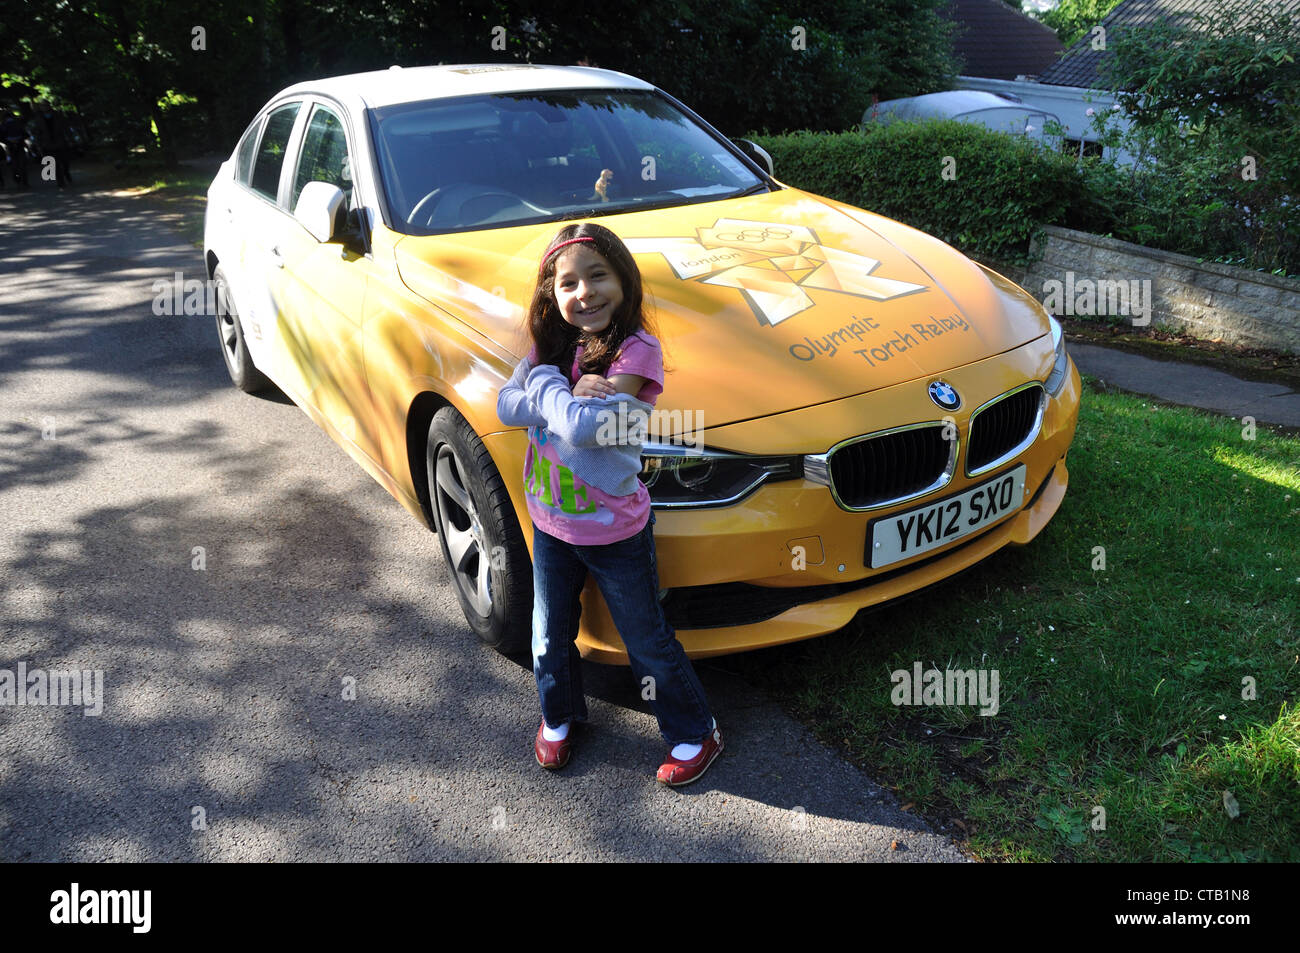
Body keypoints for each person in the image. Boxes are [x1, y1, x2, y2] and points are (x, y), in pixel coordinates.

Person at [496, 221, 723, 787]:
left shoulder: (637, 352)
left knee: (645, 640)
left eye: (599, 276)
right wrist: (557, 384)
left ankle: (697, 730)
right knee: (548, 633)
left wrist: (546, 389)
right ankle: (561, 716)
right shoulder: (552, 350)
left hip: (614, 530)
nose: (585, 292)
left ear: (625, 281)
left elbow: (584, 430)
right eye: (568, 282)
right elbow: (504, 405)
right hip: (551, 524)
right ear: (553, 293)